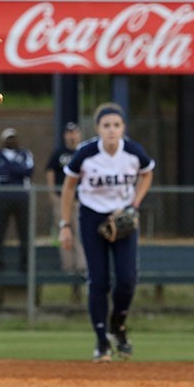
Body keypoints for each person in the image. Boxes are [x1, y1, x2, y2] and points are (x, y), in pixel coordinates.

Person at [58, 103, 154, 362]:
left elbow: (147, 173)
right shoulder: (86, 153)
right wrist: (65, 225)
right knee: (98, 281)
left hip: (123, 217)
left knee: (127, 279)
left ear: (123, 128)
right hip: (91, 217)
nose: (112, 131)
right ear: (98, 129)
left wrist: (134, 204)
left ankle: (118, 325)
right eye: (106, 126)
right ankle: (102, 341)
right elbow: (68, 188)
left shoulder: (133, 152)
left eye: (116, 125)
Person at [0, 127, 34, 273]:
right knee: (0, 231)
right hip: (3, 196)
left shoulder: (25, 154)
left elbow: (28, 171)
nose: (12, 140)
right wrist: (17, 171)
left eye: (14, 137)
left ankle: (25, 264)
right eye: (9, 138)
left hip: (22, 196)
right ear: (3, 141)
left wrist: (10, 169)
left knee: (24, 231)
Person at [45, 121, 86, 275]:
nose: (71, 136)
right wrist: (52, 194)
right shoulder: (59, 153)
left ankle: (82, 266)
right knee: (65, 233)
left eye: (74, 132)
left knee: (81, 232)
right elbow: (50, 172)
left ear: (79, 134)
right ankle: (68, 267)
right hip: (62, 201)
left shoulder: (83, 152)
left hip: (80, 199)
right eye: (69, 133)